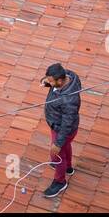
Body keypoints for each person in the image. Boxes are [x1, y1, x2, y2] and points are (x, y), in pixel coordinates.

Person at [41, 62, 81, 197]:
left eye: (51, 81)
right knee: (65, 147)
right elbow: (52, 80)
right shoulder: (68, 75)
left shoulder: (69, 100)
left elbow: (67, 124)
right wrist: (46, 82)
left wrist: (58, 143)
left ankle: (60, 181)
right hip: (59, 125)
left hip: (62, 129)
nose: (49, 83)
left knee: (57, 154)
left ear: (60, 80)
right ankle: (68, 167)